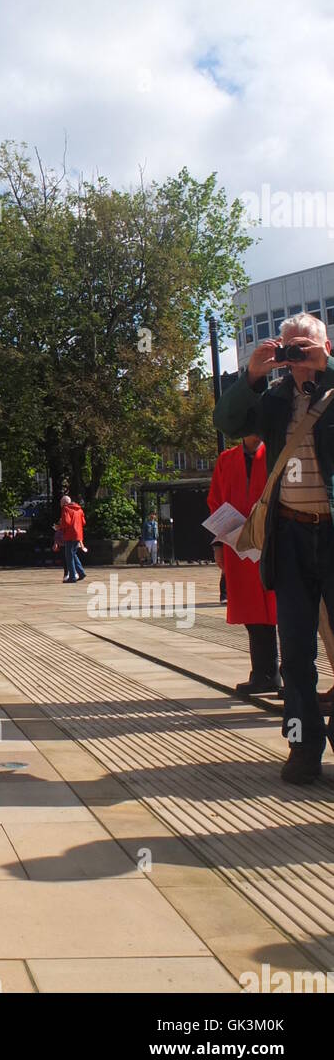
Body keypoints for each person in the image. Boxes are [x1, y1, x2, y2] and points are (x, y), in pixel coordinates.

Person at [213, 312, 334, 784]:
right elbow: (226, 420)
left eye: (307, 346)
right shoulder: (274, 399)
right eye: (290, 348)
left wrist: (327, 365)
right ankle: (304, 746)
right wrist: (252, 376)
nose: (298, 356)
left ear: (325, 346)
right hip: (290, 535)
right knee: (298, 650)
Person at [207, 435, 280, 698]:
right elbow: (215, 501)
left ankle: (288, 675)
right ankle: (264, 673)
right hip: (237, 543)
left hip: (272, 542)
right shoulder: (226, 460)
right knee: (252, 614)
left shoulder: (276, 453)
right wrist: (218, 545)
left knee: (282, 611)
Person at [58, 495, 87, 582]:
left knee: (69, 557)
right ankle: (81, 572)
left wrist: (59, 527)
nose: (60, 505)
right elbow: (83, 522)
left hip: (70, 535)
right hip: (78, 534)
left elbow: (66, 522)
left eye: (61, 503)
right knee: (73, 554)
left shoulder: (66, 509)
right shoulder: (79, 509)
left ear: (65, 503)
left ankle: (72, 576)